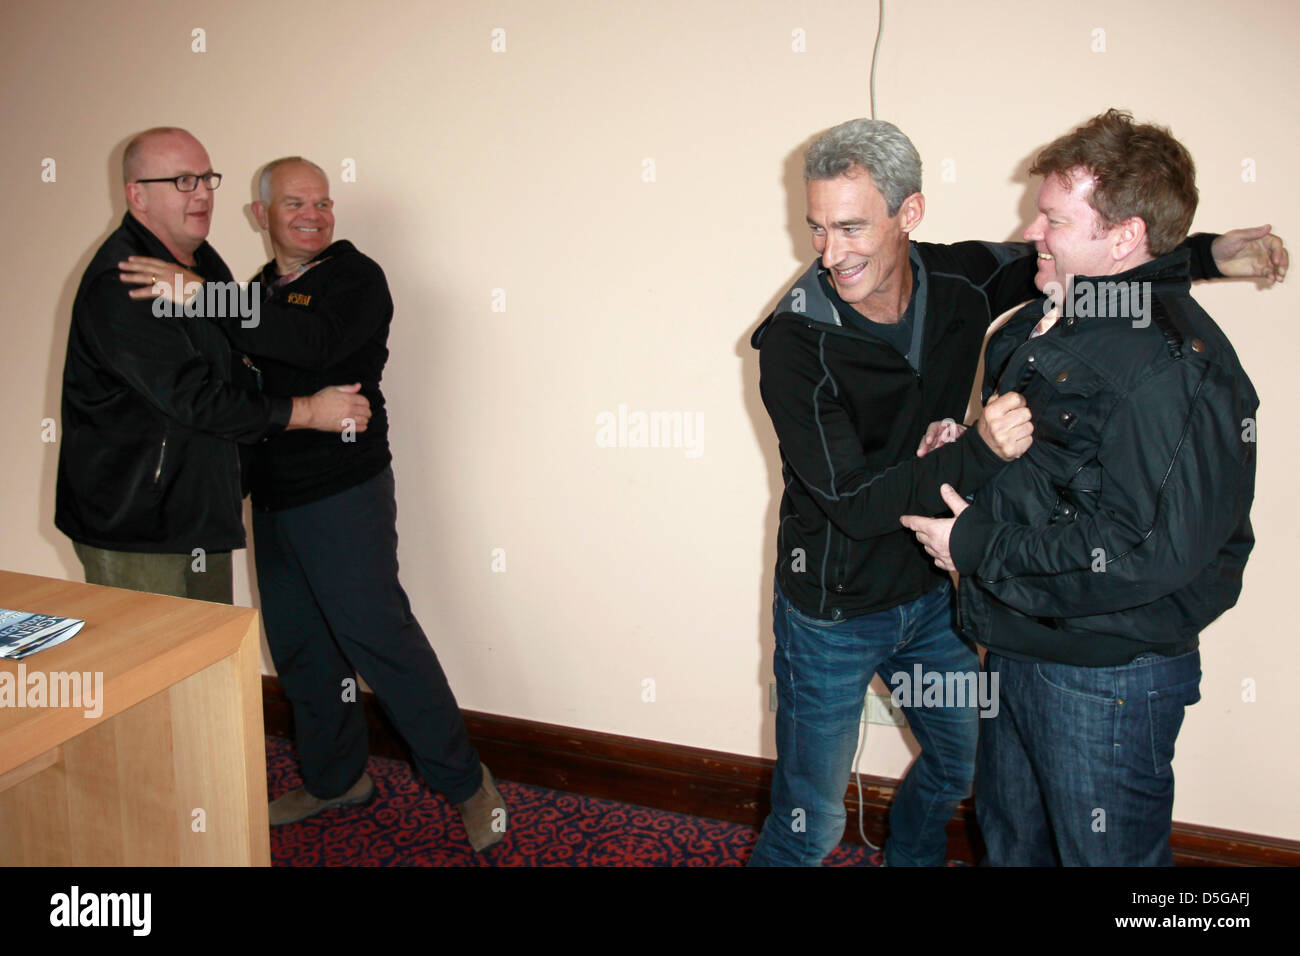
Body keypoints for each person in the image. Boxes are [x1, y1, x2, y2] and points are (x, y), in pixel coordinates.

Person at [750, 117, 1285, 867]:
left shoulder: (965, 279)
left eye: (851, 227)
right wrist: (972, 455)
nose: (830, 253)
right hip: (837, 610)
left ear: (909, 215)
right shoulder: (794, 340)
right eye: (817, 229)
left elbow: (1112, 257)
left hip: (944, 598)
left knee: (957, 769)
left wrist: (1210, 255)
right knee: (812, 822)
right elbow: (856, 504)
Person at [146, 156, 506, 850]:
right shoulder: (257, 287)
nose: (312, 215)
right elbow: (243, 381)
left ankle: (467, 782)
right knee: (302, 649)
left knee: (379, 638)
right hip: (274, 498)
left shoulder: (355, 277)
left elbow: (310, 345)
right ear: (261, 215)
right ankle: (338, 777)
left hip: (343, 492)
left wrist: (202, 297)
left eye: (322, 202)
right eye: (293, 204)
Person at [56, 127, 370, 603]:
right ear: (137, 195)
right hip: (140, 529)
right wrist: (309, 411)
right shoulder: (126, 280)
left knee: (208, 669)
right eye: (183, 181)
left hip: (197, 514)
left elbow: (243, 348)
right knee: (158, 672)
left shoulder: (200, 262)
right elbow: (196, 397)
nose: (202, 193)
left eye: (206, 178)